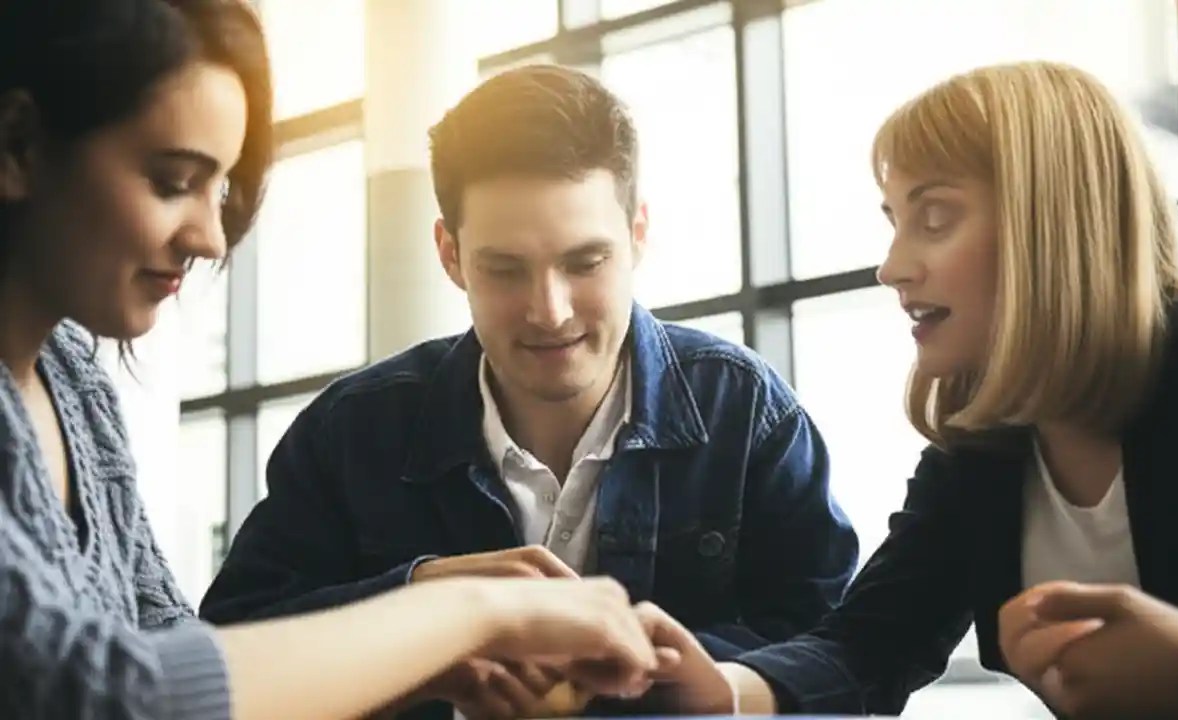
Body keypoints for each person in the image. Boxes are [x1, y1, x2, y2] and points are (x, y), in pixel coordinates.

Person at [0, 2, 674, 718]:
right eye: (172, 182)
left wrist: (420, 660)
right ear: (17, 145)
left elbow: (169, 637)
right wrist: (467, 613)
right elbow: (79, 690)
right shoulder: (351, 426)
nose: (211, 238)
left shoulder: (71, 378)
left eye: (220, 188)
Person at [198, 63, 858, 719]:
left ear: (638, 235)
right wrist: (422, 604)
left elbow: (840, 653)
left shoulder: (745, 412)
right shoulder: (352, 432)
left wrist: (665, 689)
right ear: (450, 255)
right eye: (505, 269)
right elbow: (228, 648)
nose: (550, 311)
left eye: (585, 262)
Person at [634, 61, 1178, 719]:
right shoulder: (981, 456)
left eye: (935, 217)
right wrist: (723, 689)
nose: (891, 267)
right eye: (895, 221)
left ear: (1049, 219)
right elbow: (868, 646)